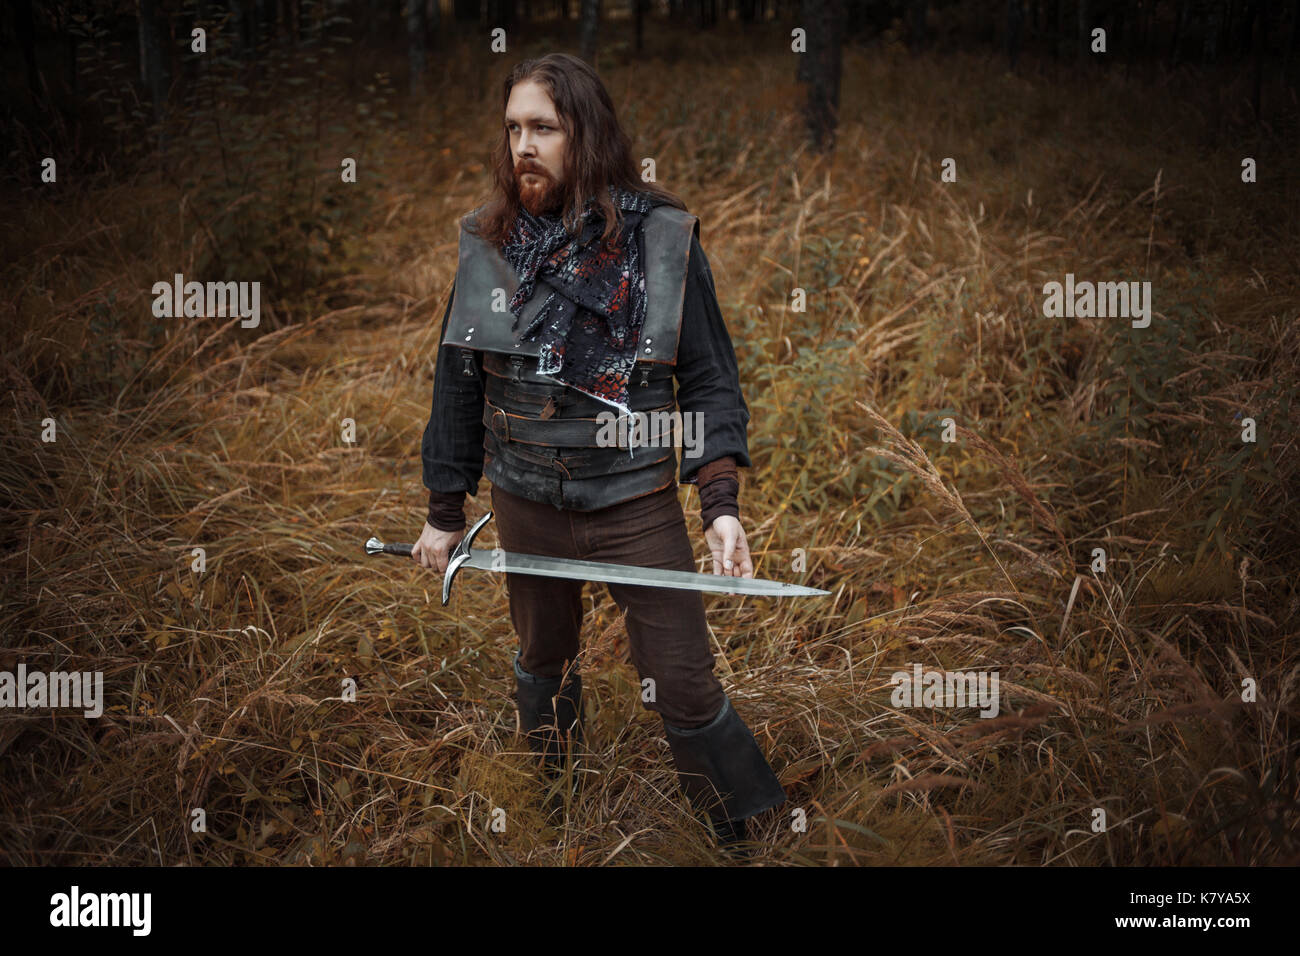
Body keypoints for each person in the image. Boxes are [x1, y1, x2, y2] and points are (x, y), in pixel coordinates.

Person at [412, 52, 785, 851]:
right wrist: (446, 510)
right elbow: (458, 383)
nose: (523, 146)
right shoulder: (488, 244)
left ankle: (746, 833)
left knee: (683, 683)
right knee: (544, 657)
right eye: (513, 129)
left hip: (633, 504)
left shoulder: (660, 242)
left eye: (542, 128)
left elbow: (711, 382)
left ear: (587, 134)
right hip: (524, 498)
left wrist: (719, 504)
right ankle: (556, 798)